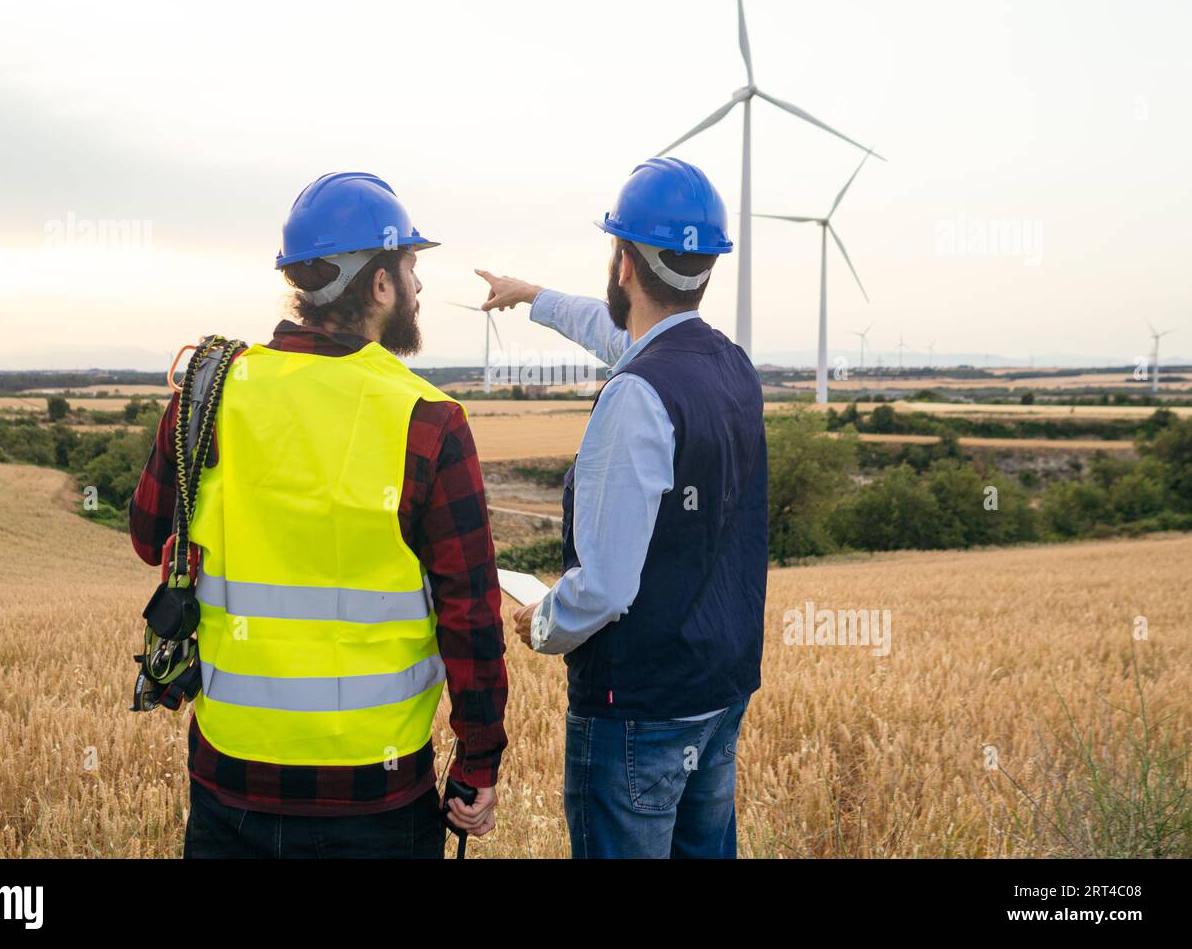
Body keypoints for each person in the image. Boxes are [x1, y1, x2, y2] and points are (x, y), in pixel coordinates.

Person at [129, 171, 507, 858]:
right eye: (411, 267)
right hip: (378, 798)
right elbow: (471, 616)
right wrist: (478, 757)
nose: (419, 287)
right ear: (380, 284)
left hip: (228, 785)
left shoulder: (208, 392)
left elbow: (145, 532)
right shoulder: (428, 420)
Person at [477, 157, 768, 859]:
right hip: (717, 692)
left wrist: (542, 622)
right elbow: (620, 337)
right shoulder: (729, 363)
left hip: (639, 711)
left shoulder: (635, 396)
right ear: (707, 265)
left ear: (623, 264)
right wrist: (531, 295)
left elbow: (605, 586)